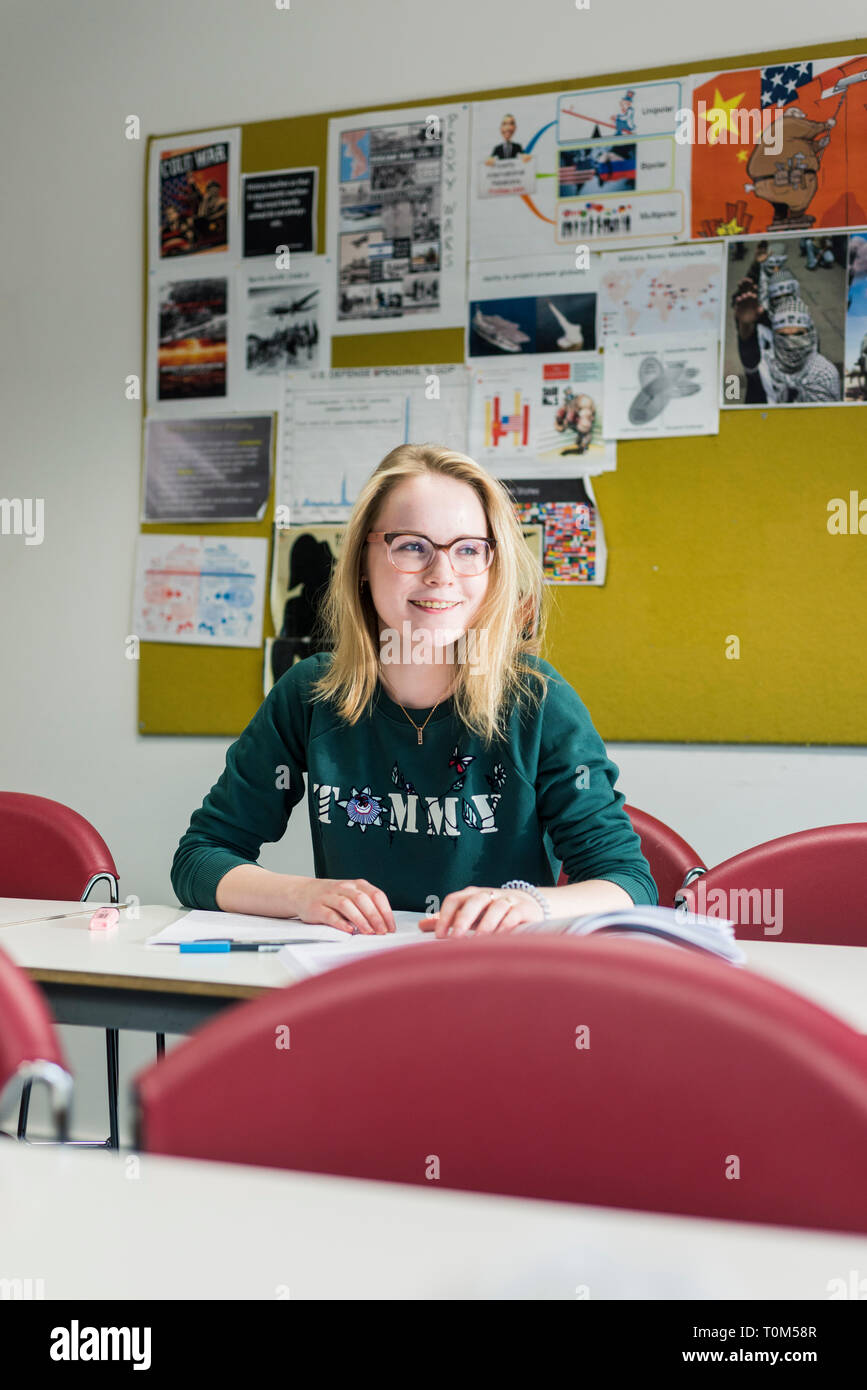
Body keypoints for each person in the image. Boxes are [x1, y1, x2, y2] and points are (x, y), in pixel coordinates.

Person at [171, 445, 656, 936]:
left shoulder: (540, 701)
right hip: (360, 979)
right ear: (362, 558)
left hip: (500, 983)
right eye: (411, 545)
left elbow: (629, 882)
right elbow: (200, 860)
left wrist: (532, 905)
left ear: (493, 567)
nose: (441, 574)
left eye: (468, 549)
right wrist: (302, 895)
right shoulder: (309, 693)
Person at [732, 283, 841, 403]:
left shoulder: (825, 372)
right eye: (783, 335)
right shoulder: (763, 365)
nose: (791, 343)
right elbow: (748, 351)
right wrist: (744, 324)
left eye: (799, 334)